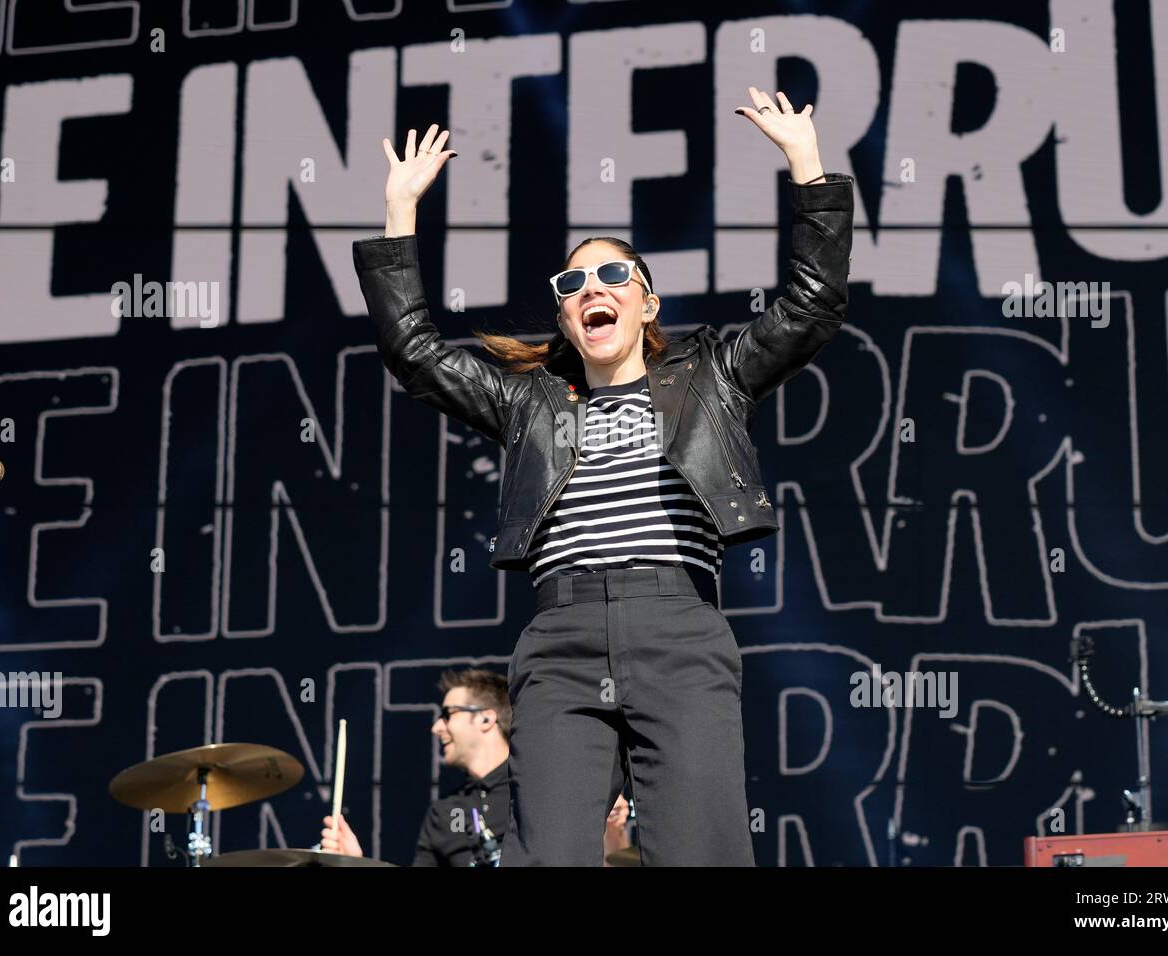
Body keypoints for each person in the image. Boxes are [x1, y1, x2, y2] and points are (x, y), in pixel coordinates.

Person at [351, 86, 854, 865]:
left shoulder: (709, 376)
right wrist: (400, 211)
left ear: (646, 304)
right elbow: (415, 354)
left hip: (677, 624)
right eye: (571, 285)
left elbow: (812, 306)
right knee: (545, 855)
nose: (592, 290)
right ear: (562, 319)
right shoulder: (529, 399)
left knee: (703, 851)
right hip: (561, 636)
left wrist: (806, 164)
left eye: (613, 276)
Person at [320, 669, 631, 865]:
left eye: (447, 714)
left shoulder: (546, 786)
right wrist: (356, 863)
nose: (436, 727)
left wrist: (612, 832)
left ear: (485, 718)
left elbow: (608, 860)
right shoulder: (443, 814)